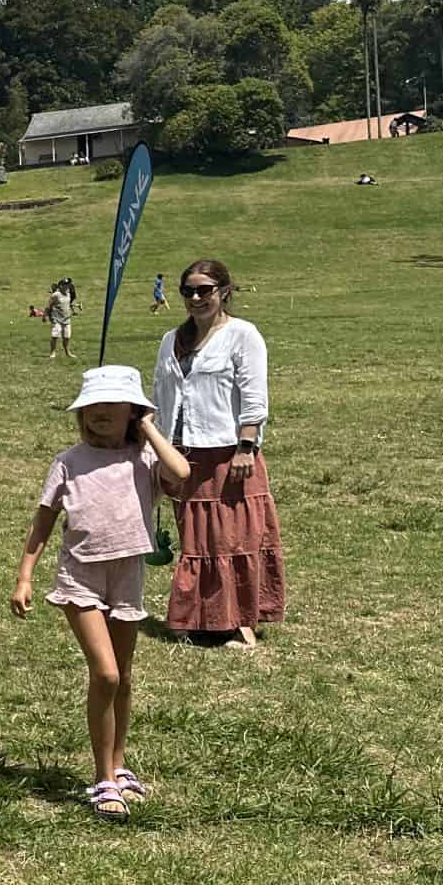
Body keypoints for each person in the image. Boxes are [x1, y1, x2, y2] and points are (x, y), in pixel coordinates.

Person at [9, 366, 190, 819]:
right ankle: (102, 778)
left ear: (132, 410)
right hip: (80, 578)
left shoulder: (144, 459)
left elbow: (182, 473)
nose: (101, 413)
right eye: (93, 405)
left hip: (127, 576)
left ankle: (118, 764)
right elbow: (44, 520)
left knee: (125, 678)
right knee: (105, 674)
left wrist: (148, 425)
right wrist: (25, 575)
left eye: (113, 403)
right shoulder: (69, 460)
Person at [151, 258, 286, 648]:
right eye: (188, 291)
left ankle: (239, 623)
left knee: (231, 539)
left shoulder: (243, 335)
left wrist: (247, 446)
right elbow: (160, 395)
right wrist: (157, 449)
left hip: (228, 453)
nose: (196, 298)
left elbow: (254, 398)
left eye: (205, 290)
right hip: (182, 455)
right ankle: (199, 618)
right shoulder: (170, 340)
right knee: (196, 541)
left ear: (224, 291)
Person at [44, 280, 75, 360]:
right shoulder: (55, 295)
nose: (67, 286)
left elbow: (68, 304)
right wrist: (45, 316)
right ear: (60, 286)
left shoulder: (68, 294)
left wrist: (71, 311)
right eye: (65, 285)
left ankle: (67, 352)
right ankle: (52, 352)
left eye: (68, 285)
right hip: (56, 319)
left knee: (67, 337)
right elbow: (48, 306)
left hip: (66, 319)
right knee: (55, 336)